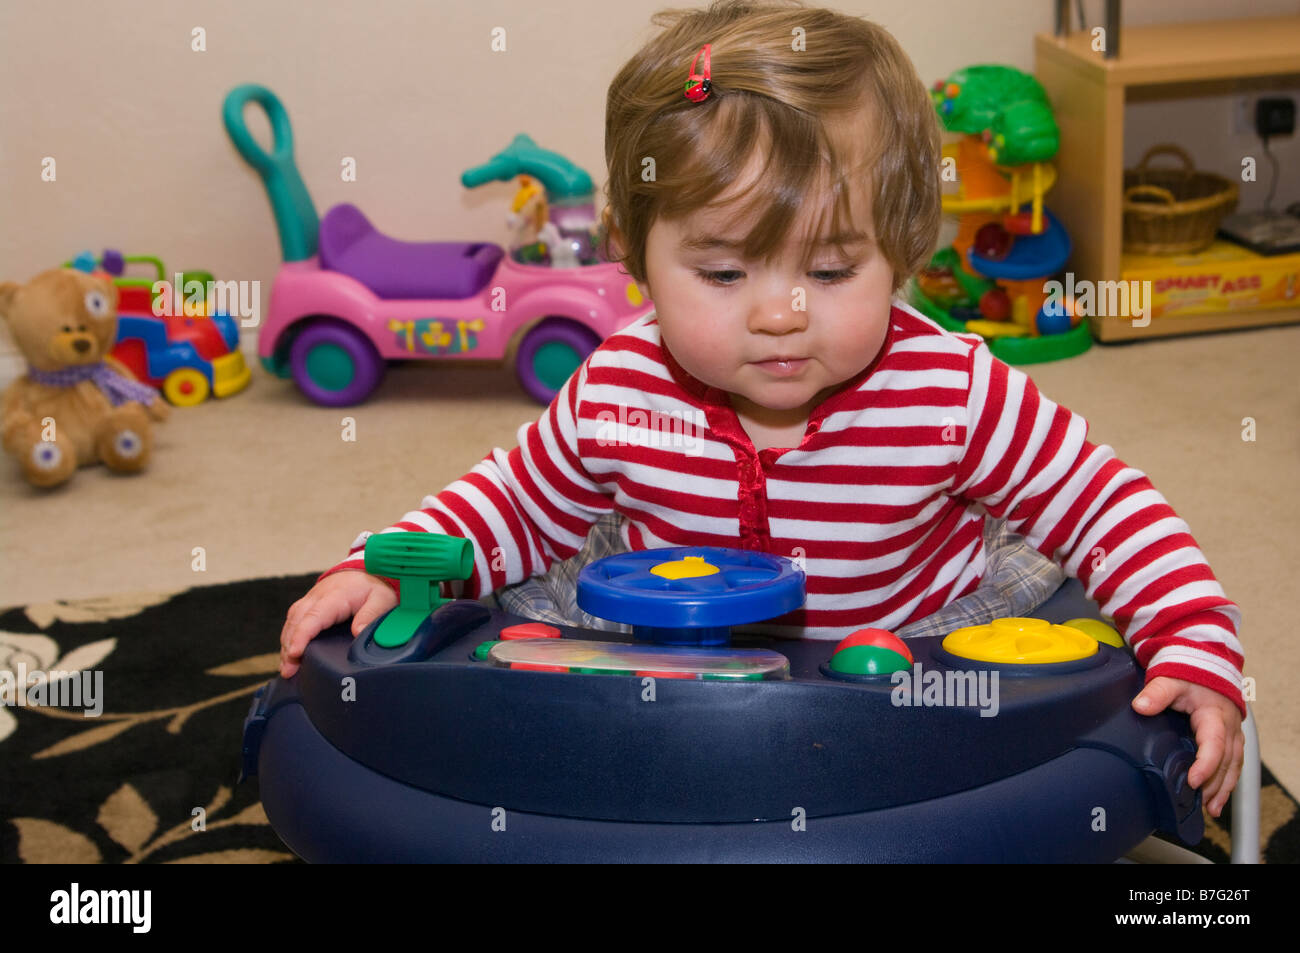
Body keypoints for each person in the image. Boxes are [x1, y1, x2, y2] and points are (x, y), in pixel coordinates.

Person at [280, 0, 1245, 818]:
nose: (781, 313)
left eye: (831, 269)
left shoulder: (952, 391)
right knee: (527, 600)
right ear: (634, 250)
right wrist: (390, 557)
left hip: (903, 648)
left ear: (903, 244)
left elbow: (1103, 503)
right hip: (664, 650)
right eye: (723, 269)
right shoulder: (618, 384)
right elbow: (513, 500)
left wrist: (1194, 642)